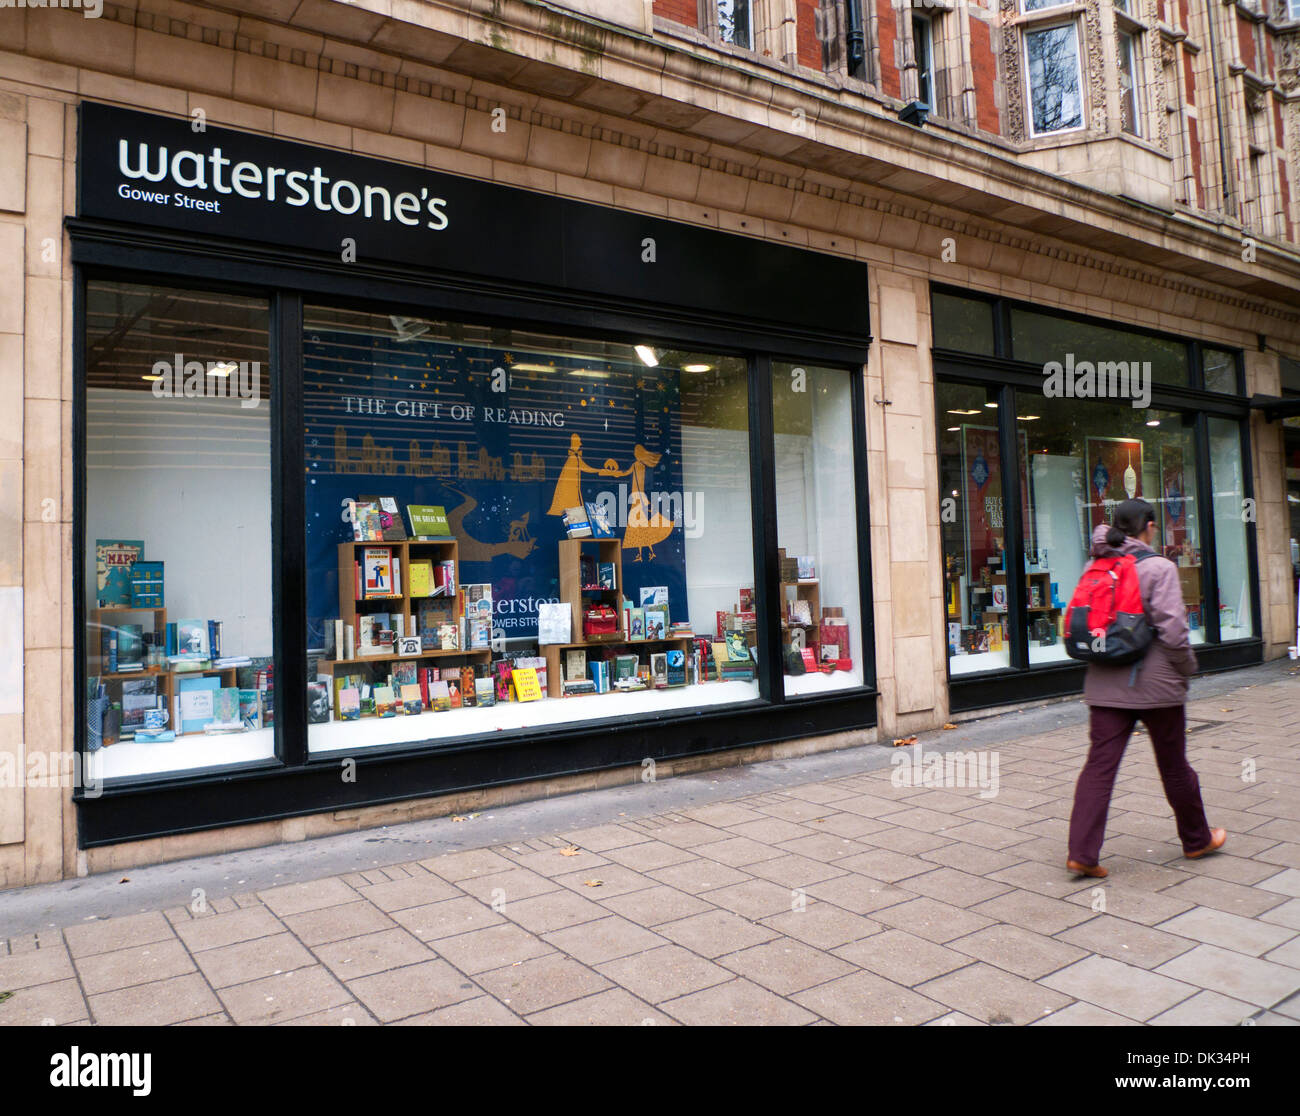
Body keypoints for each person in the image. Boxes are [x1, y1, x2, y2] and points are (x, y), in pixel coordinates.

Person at [1067, 498, 1226, 878]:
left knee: (1099, 768)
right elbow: (1173, 631)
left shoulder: (1095, 564)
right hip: (1157, 687)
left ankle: (1082, 854)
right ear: (1150, 526)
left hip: (1105, 682)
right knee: (1174, 766)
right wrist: (1187, 668)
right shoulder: (1160, 567)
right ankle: (1196, 839)